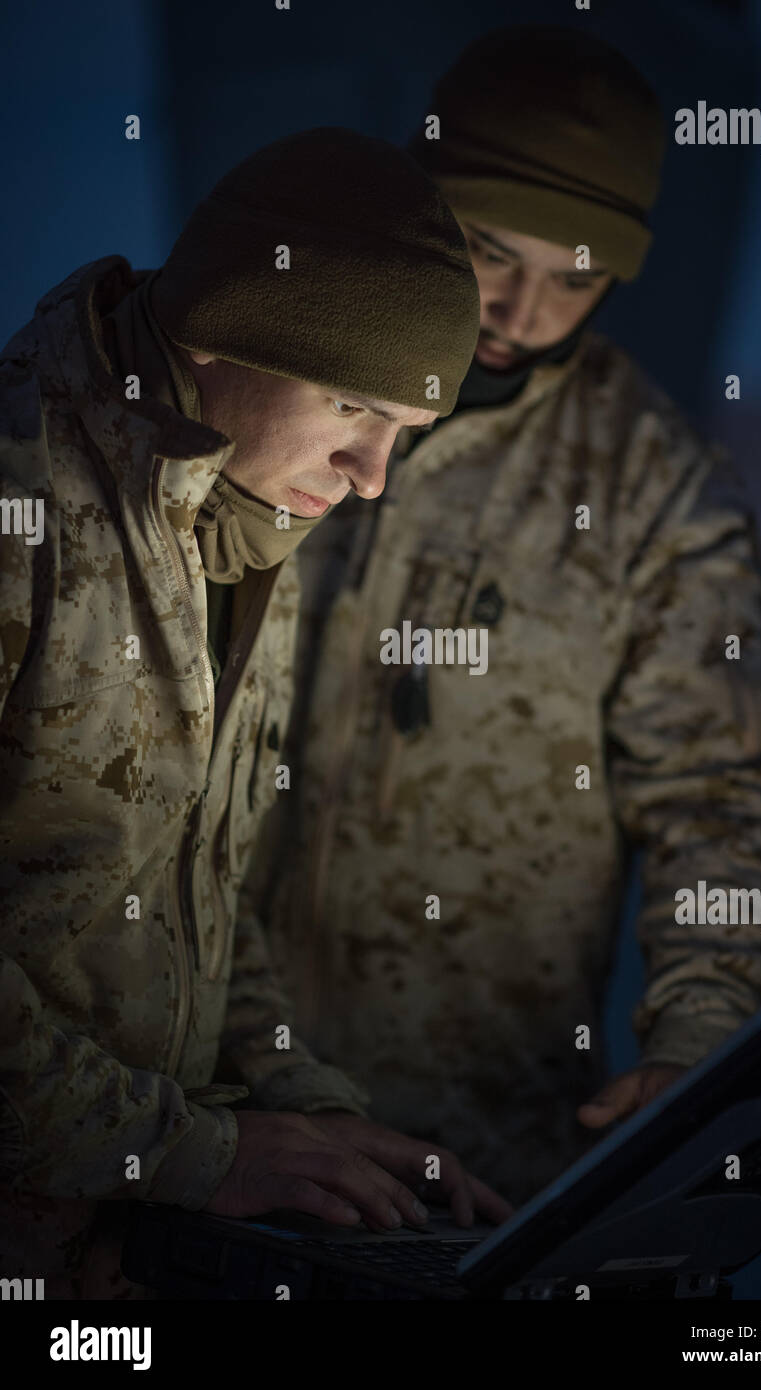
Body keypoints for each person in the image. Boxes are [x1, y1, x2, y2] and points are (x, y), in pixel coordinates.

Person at [258, 31, 761, 1207]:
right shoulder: (265, 379)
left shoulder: (657, 487)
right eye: (489, 251)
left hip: (478, 1168)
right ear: (419, 198)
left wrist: (697, 1045)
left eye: (577, 276)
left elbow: (719, 799)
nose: (521, 308)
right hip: (210, 1134)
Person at [0, 126, 512, 1300]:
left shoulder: (234, 525)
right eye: (352, 406)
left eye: (408, 435)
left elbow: (187, 902)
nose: (373, 475)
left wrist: (306, 1112)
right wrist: (201, 1154)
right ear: (229, 327)